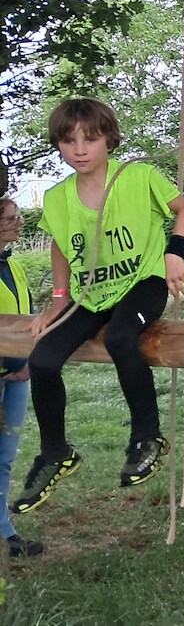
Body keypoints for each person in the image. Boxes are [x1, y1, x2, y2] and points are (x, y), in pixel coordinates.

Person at [14, 98, 184, 514]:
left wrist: (175, 252)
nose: (79, 149)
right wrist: (59, 301)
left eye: (90, 139)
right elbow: (61, 246)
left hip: (144, 283)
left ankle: (147, 436)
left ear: (109, 140)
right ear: (58, 144)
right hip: (91, 295)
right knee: (43, 360)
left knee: (120, 337)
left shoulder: (138, 176)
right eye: (68, 140)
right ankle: (55, 454)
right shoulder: (57, 197)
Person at [0, 198, 44, 556]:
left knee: (5, 457)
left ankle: (5, 533)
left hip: (18, 377)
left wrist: (26, 362)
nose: (19, 222)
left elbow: (28, 320)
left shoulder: (14, 268)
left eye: (19, 216)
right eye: (11, 218)